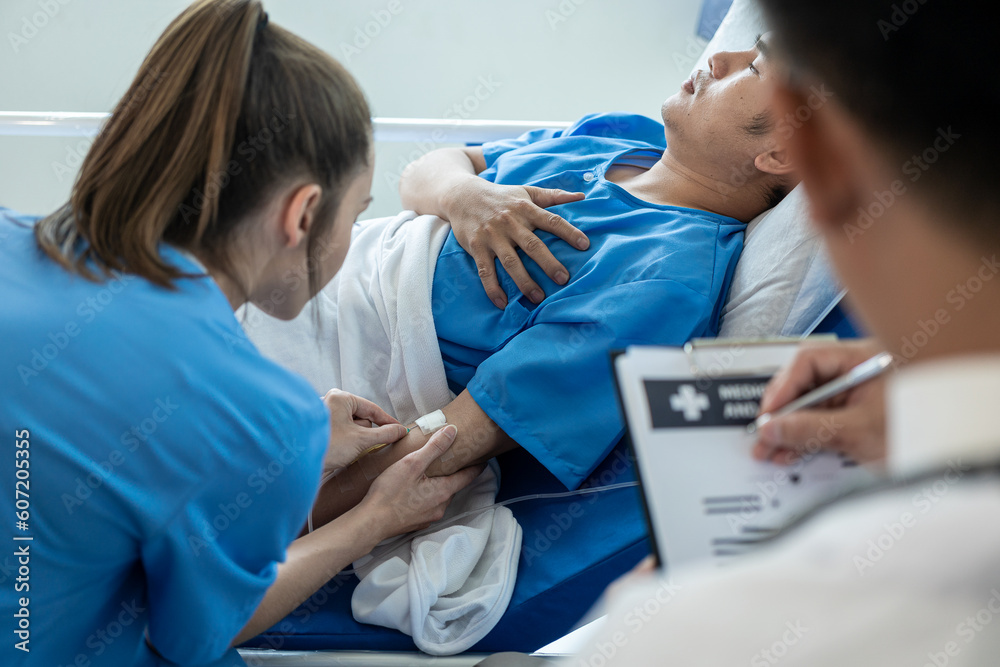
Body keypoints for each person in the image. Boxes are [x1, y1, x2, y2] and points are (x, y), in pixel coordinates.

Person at [0, 2, 479, 665]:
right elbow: (195, 637)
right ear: (302, 213)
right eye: (356, 215)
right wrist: (372, 519)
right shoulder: (257, 415)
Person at [562, 1, 1000, 664]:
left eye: (760, 61)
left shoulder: (713, 634)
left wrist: (662, 622)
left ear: (813, 165)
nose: (719, 61)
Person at [304, 36, 797, 527]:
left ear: (780, 154)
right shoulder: (620, 135)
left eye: (754, 68)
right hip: (312, 260)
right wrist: (462, 195)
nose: (719, 58)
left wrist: (285, 519)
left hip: (343, 351)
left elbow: (455, 435)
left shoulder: (667, 282)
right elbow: (419, 176)